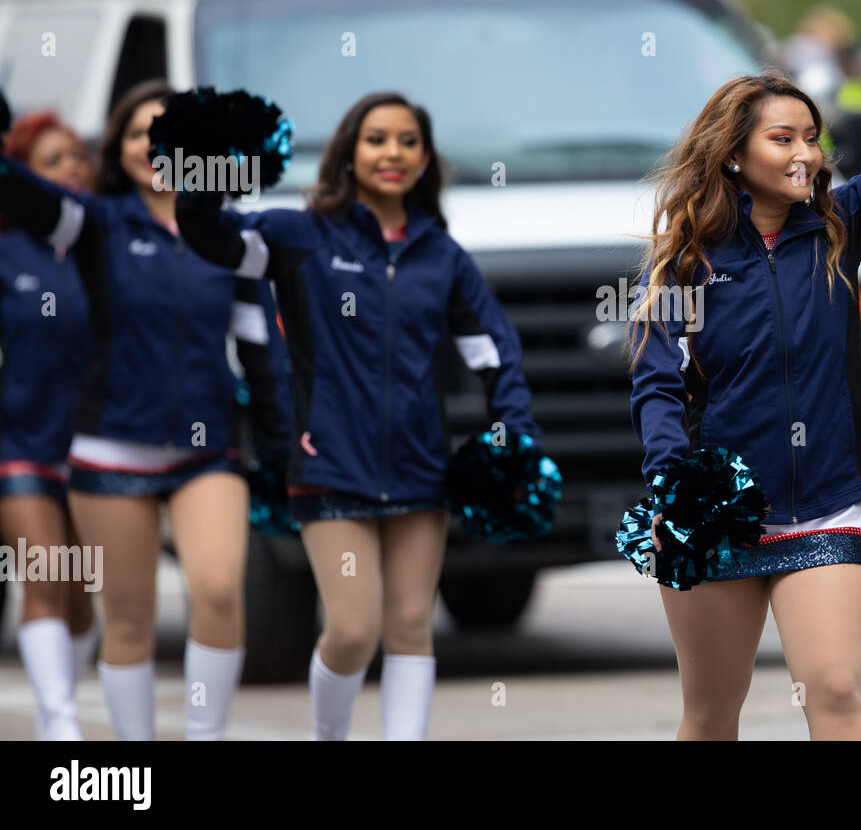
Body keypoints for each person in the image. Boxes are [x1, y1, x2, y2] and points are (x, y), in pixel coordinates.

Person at [627, 0, 861, 741]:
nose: (807, 154)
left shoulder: (843, 225)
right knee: (711, 715)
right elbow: (655, 386)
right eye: (783, 139)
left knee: (837, 692)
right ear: (736, 153)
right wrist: (673, 483)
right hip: (718, 513)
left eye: (812, 137)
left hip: (826, 504)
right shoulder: (685, 263)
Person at [173, 92, 543, 740]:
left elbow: (494, 353)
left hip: (421, 470)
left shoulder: (441, 256)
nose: (392, 153)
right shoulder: (299, 236)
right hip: (329, 465)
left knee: (409, 627)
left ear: (426, 159)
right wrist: (211, 166)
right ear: (349, 152)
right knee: (351, 630)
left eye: (407, 141)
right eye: (376, 139)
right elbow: (212, 238)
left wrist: (512, 436)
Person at [0, 80, 284, 740]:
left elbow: (261, 348)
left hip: (207, 449)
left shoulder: (229, 233)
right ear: (119, 150)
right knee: (127, 620)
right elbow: (25, 196)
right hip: (110, 449)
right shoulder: (97, 223)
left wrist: (288, 441)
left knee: (217, 590)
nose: (152, 144)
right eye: (135, 132)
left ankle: (206, 734)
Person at [0, 111, 97, 739]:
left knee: (82, 602)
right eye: (53, 161)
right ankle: (62, 729)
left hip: (93, 445)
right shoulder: (6, 251)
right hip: (18, 441)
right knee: (44, 576)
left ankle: (56, 712)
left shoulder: (105, 247)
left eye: (77, 158)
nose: (71, 170)